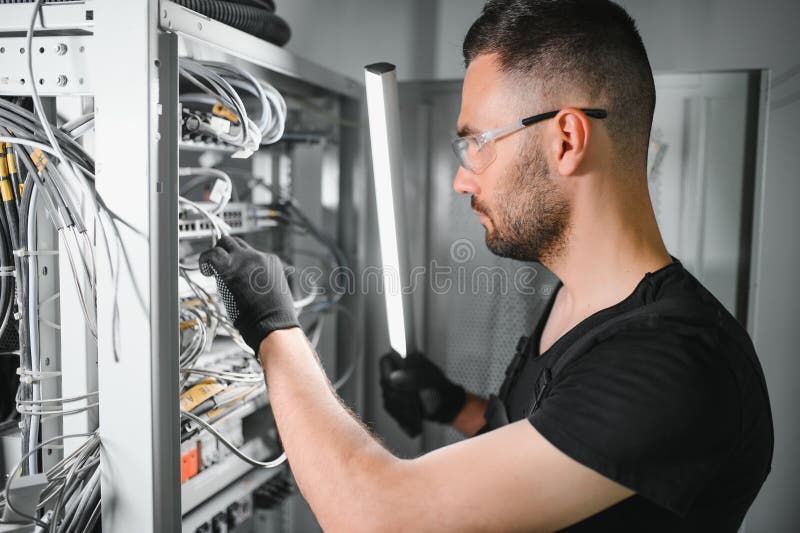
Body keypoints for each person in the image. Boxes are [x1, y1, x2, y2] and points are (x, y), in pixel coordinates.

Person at [199, 0, 773, 530]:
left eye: (476, 143)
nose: (459, 178)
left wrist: (273, 328)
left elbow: (375, 517)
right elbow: (548, 444)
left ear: (566, 139)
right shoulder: (577, 303)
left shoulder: (675, 362)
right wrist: (454, 406)